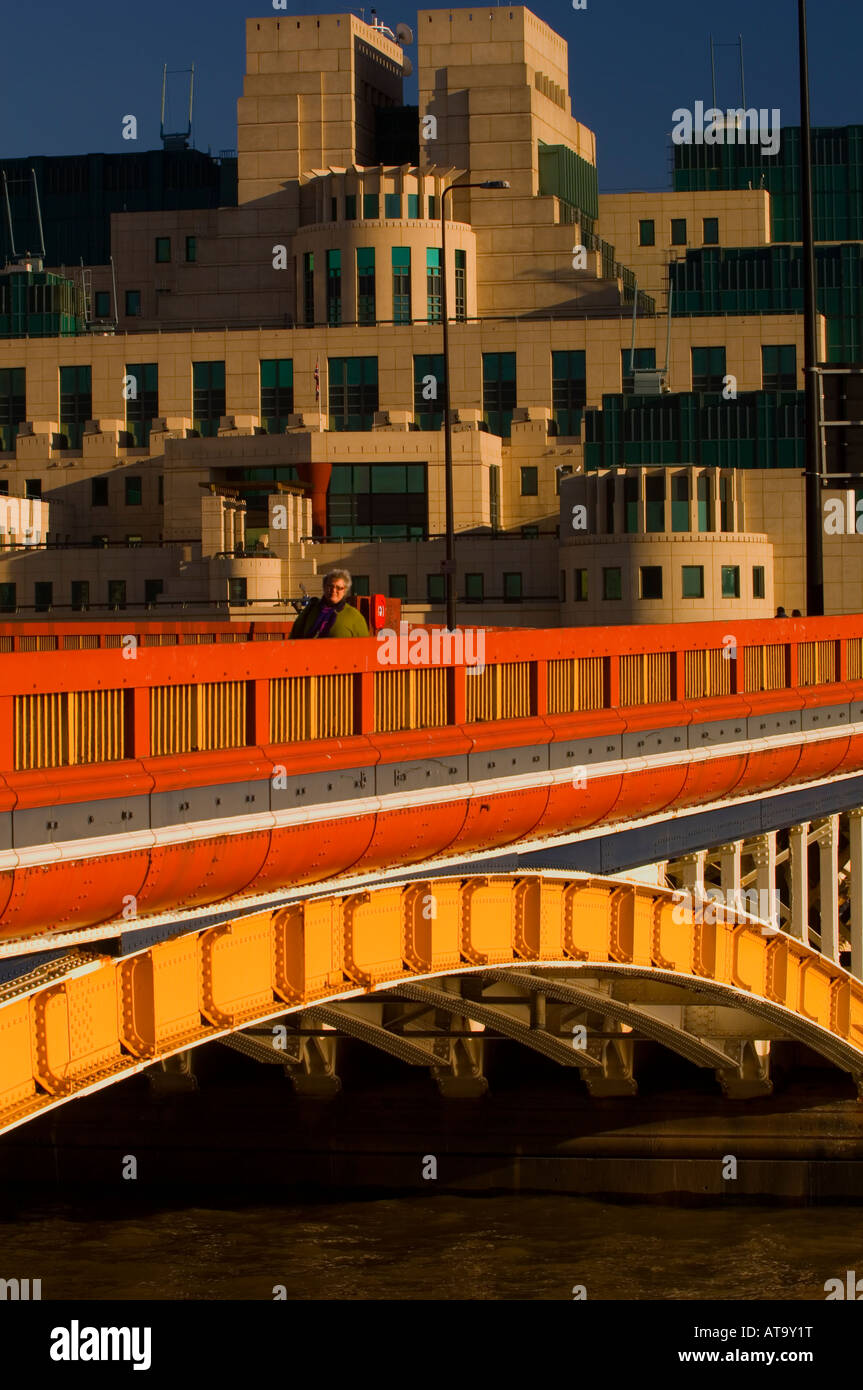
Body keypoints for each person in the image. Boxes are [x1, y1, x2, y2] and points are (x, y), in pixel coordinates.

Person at [288, 569, 370, 639]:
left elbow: (364, 648)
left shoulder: (354, 616)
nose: (334, 590)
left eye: (338, 588)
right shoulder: (311, 609)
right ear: (324, 587)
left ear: (344, 591)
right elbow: (293, 637)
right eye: (330, 586)